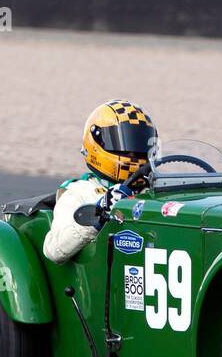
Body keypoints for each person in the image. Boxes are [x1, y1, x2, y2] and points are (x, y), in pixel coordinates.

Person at [43, 100, 157, 264]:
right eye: (128, 146)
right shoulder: (78, 192)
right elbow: (53, 250)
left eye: (139, 146)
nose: (134, 154)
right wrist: (99, 212)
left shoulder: (152, 189)